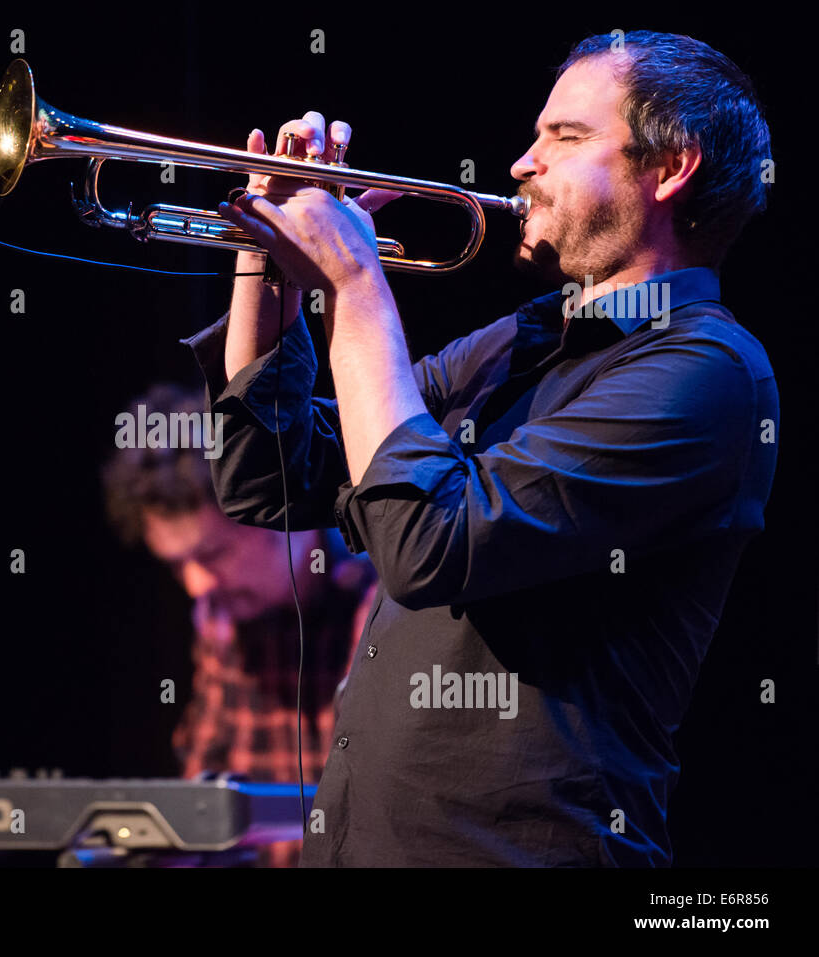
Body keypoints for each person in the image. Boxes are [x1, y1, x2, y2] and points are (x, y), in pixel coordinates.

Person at [185, 31, 777, 866]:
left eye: (565, 138)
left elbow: (428, 544)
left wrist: (356, 287)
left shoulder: (707, 372)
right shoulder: (524, 337)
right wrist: (265, 246)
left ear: (670, 167)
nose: (521, 164)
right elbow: (276, 474)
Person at [102, 383, 375, 866]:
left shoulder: (382, 603)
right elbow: (203, 804)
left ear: (276, 511)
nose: (195, 585)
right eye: (176, 565)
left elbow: (382, 819)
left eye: (213, 554)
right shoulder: (221, 619)